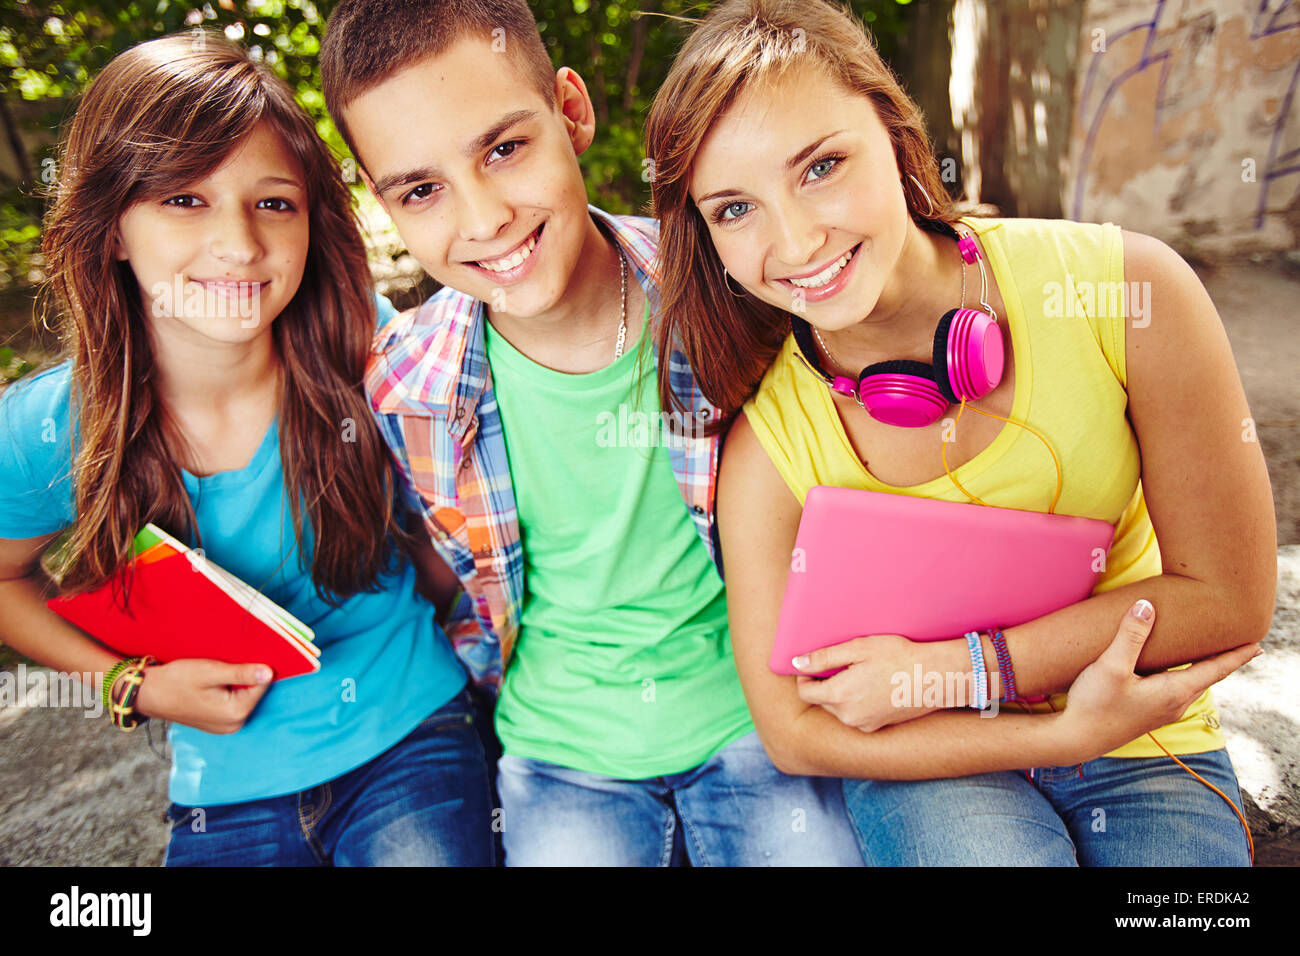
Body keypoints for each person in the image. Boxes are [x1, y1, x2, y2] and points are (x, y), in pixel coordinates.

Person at [644, 0, 1274, 866]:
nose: (797, 239)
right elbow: (793, 735)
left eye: (822, 166)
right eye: (734, 209)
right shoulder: (766, 444)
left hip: (1143, 738)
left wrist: (965, 669)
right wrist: (1048, 733)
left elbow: (1231, 599)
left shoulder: (1130, 289)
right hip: (929, 754)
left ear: (896, 132)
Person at [318, 0, 866, 866]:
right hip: (562, 756)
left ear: (571, 112)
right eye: (422, 190)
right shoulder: (405, 381)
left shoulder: (729, 296)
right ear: (381, 202)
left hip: (759, 718)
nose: (486, 216)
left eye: (504, 149)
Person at [0, 34, 494, 867]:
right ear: (112, 228)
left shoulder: (361, 340)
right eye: (184, 201)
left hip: (408, 727)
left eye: (274, 202)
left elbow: (451, 507)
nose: (238, 243)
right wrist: (134, 684)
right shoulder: (52, 424)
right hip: (222, 791)